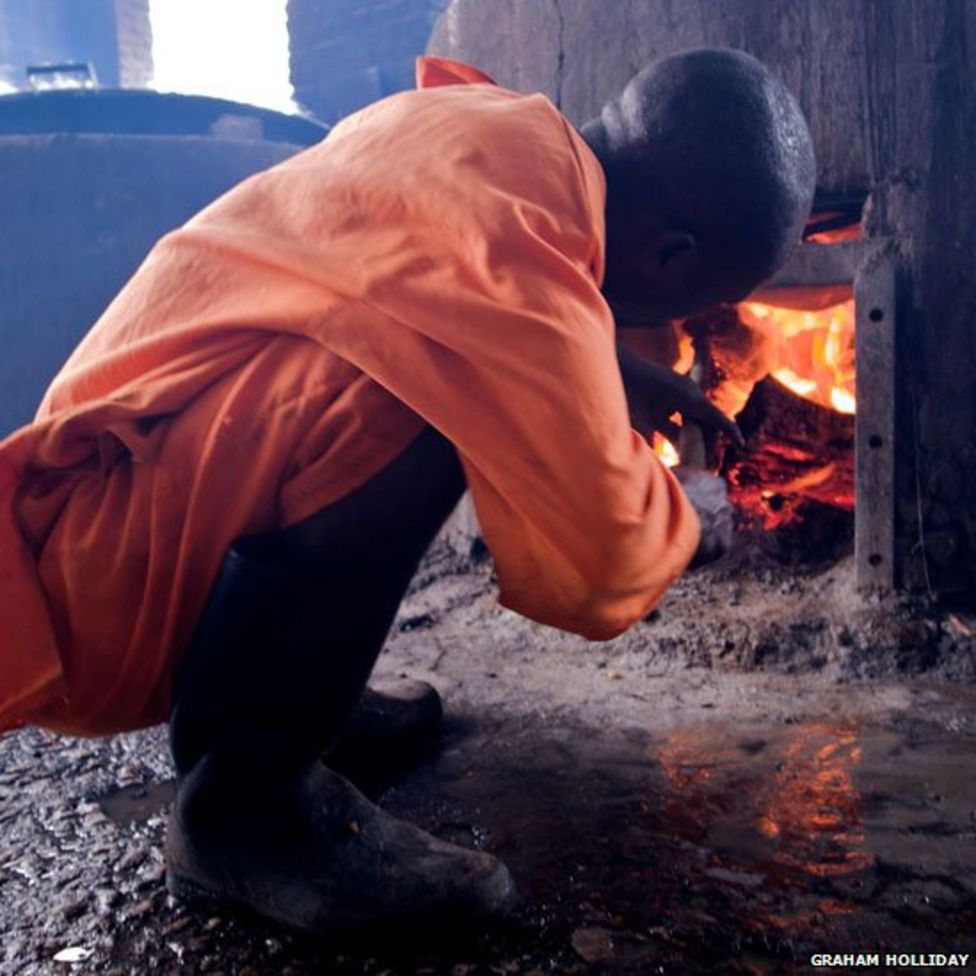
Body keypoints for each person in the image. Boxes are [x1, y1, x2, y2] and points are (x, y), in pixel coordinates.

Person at [0, 50, 815, 934]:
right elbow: (603, 558)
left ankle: (282, 694)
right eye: (696, 301)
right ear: (670, 255)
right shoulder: (516, 243)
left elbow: (484, 287)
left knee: (438, 369)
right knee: (422, 396)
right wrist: (695, 511)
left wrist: (612, 370)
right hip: (95, 595)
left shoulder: (496, 138)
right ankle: (247, 808)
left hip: (104, 503)